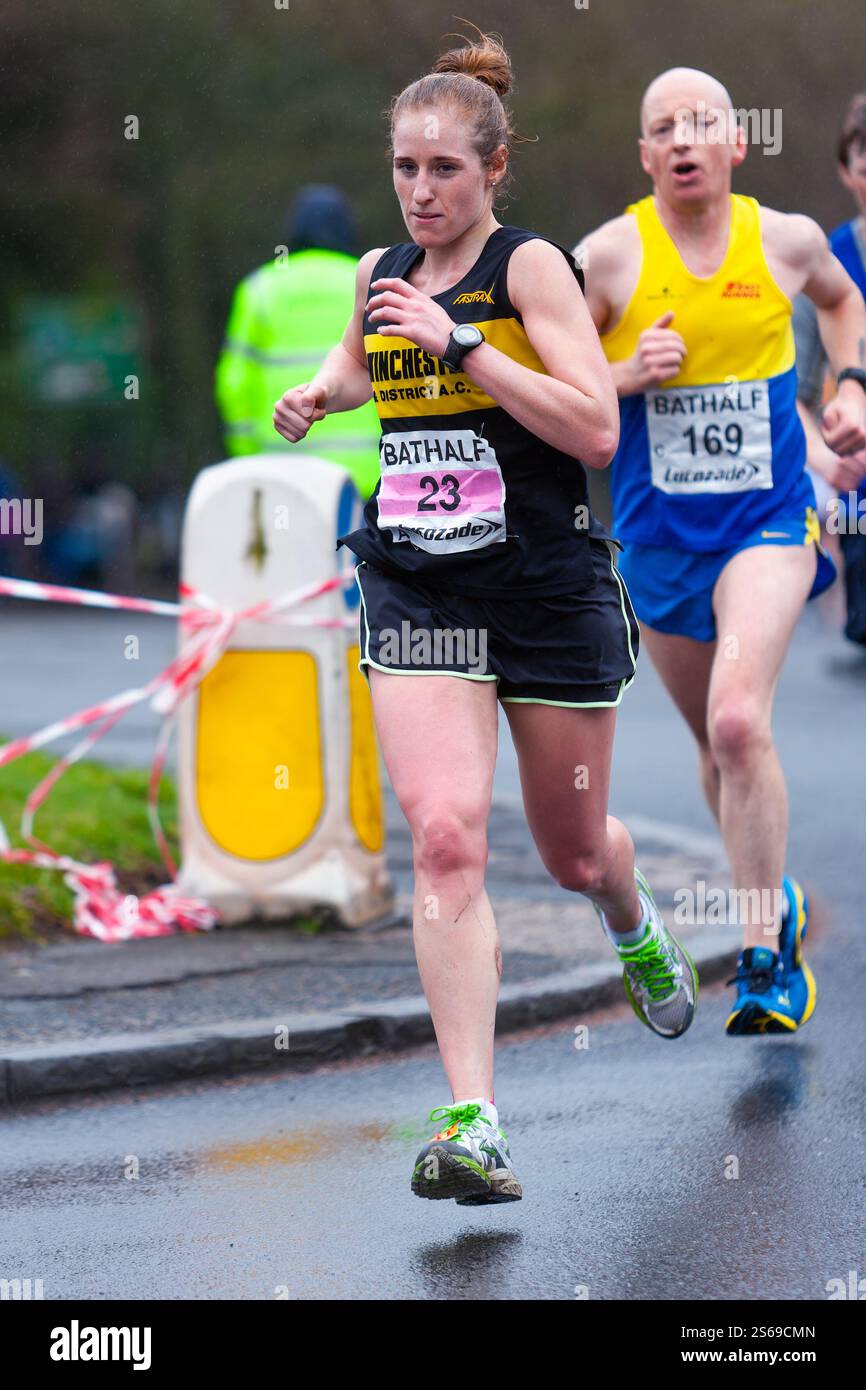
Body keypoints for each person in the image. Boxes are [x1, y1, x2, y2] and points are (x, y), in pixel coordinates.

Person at [274, 26, 698, 1207]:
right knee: (448, 834)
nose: (420, 191)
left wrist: (465, 344)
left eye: (444, 170)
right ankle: (472, 1120)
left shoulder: (528, 271)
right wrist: (317, 395)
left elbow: (594, 428)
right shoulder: (376, 275)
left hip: (542, 583)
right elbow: (360, 363)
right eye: (405, 169)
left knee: (569, 852)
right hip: (418, 581)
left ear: (493, 168)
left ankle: (628, 911)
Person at [577, 68, 866, 1036]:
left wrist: (849, 386)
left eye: (701, 123)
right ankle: (769, 890)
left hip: (769, 522)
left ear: (735, 142)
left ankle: (760, 956)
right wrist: (624, 370)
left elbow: (841, 305)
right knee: (711, 739)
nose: (683, 139)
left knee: (740, 723)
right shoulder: (606, 258)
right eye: (663, 127)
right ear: (645, 154)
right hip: (658, 538)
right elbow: (550, 387)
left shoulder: (781, 240)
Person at [216, 185, 381, 498]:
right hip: (365, 476)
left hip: (281, 475)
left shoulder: (259, 289)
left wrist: (248, 455)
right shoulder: (369, 281)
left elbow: (234, 383)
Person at [792, 93, 866, 647]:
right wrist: (824, 453)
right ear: (847, 172)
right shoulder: (825, 266)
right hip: (854, 481)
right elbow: (791, 388)